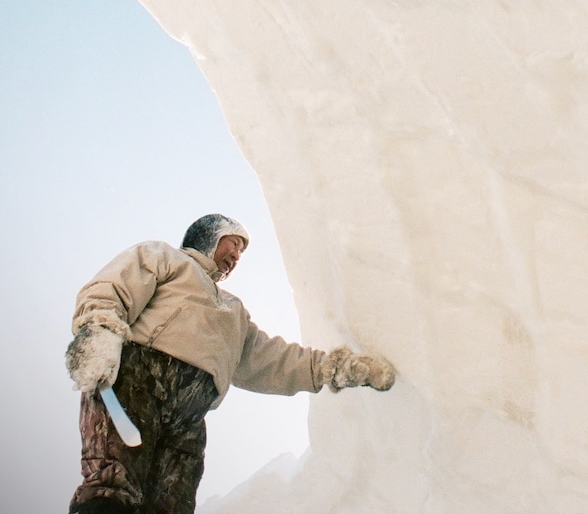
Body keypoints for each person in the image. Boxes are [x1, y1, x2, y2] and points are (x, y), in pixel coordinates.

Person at [64, 213, 395, 514]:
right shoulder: (166, 258)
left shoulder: (234, 311)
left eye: (241, 251)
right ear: (207, 237)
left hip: (190, 415)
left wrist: (334, 368)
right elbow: (112, 288)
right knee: (113, 486)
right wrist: (98, 334)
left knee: (171, 504)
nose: (237, 255)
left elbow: (272, 359)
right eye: (232, 243)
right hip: (138, 382)